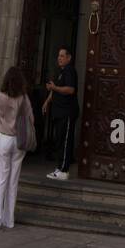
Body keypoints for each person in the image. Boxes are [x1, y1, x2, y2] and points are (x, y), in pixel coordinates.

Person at [0, 65, 34, 231]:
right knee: (13, 182)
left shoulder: (1, 97)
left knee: (1, 180)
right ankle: (9, 219)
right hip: (18, 141)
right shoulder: (24, 98)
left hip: (4, 138)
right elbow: (31, 119)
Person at [42, 47, 78, 180]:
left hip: (67, 112)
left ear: (69, 58)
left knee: (66, 141)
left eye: (62, 56)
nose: (59, 58)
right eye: (59, 56)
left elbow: (70, 89)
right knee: (60, 140)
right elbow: (55, 88)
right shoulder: (61, 72)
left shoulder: (69, 71)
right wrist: (47, 101)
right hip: (59, 112)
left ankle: (64, 170)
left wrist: (54, 88)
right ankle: (60, 167)